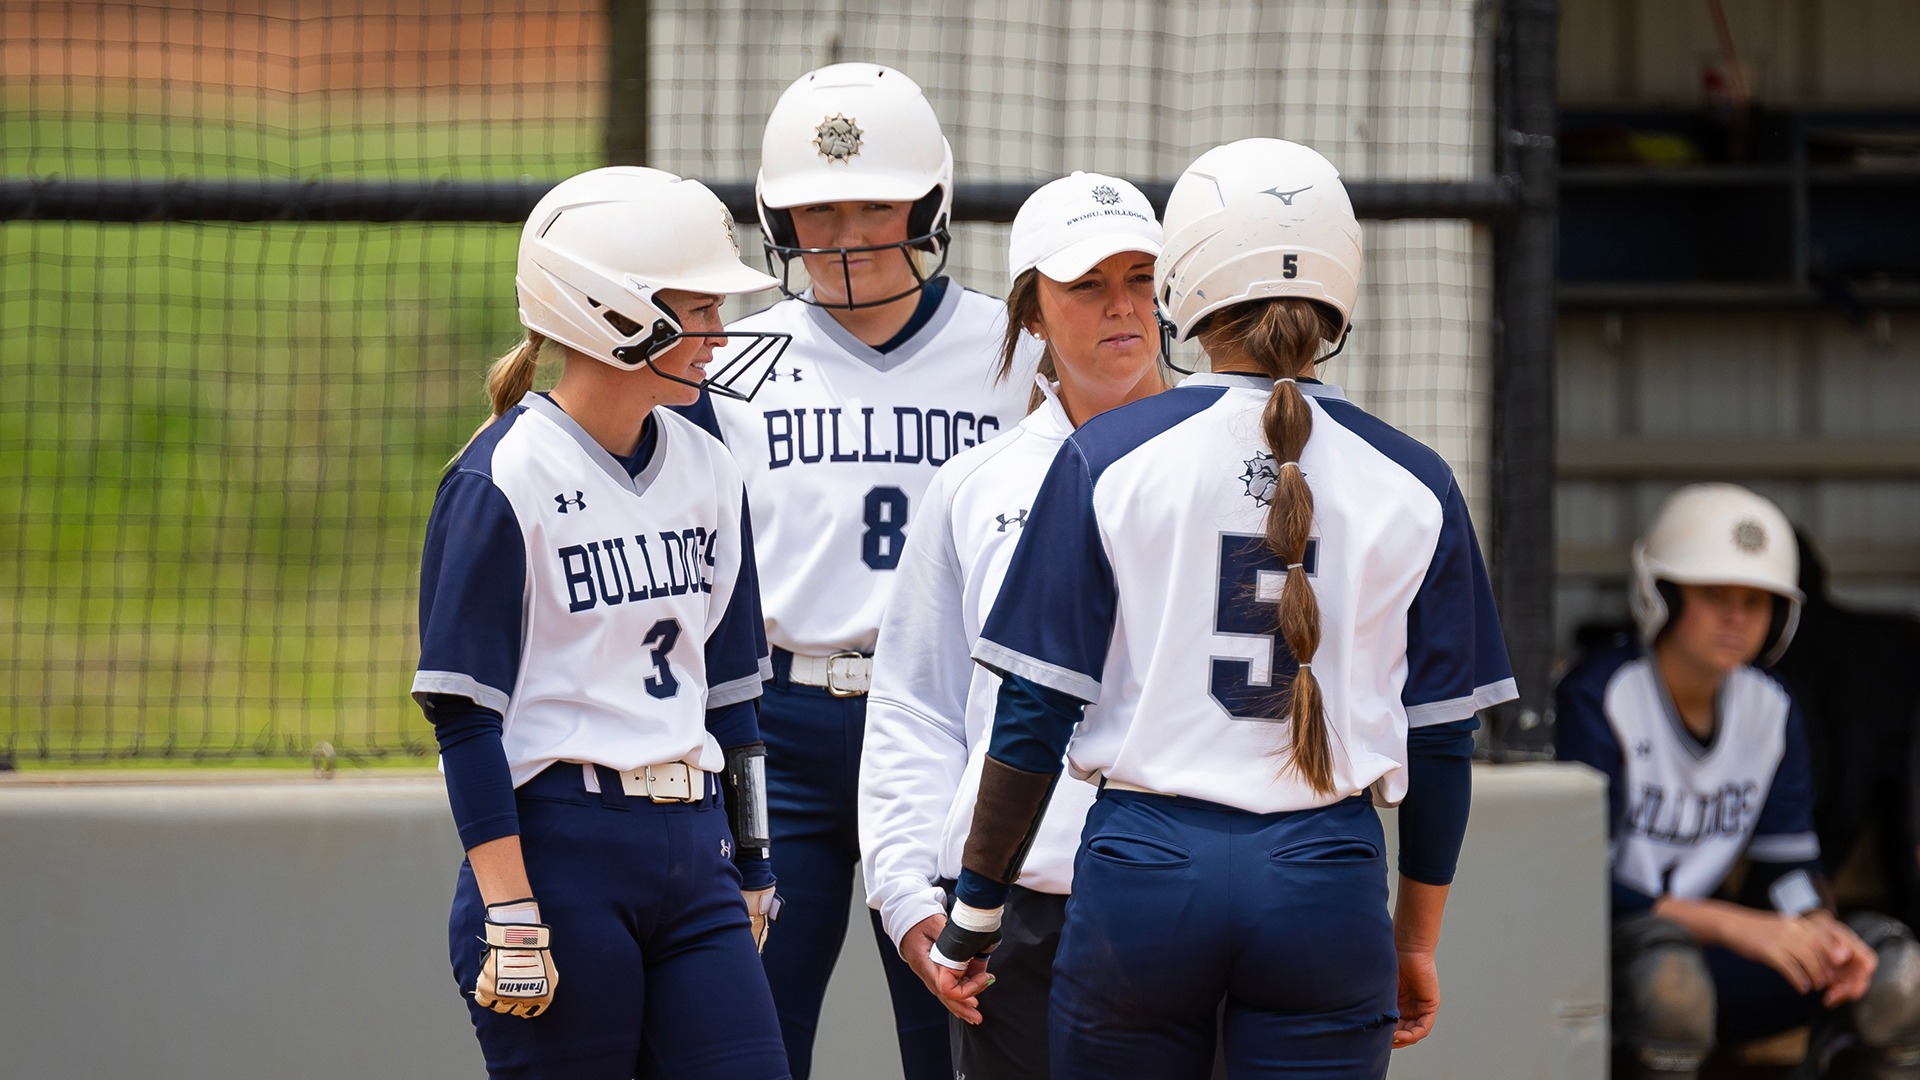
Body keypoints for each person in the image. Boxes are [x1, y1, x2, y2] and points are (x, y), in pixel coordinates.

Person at [925, 137, 1518, 1079]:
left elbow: (1034, 712)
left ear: (1183, 285)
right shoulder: (1419, 480)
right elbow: (1442, 739)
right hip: (1325, 883)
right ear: (1339, 287)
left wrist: (976, 916)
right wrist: (1413, 942)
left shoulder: (1107, 454)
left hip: (1144, 879)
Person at [675, 62, 1039, 1080]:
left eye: (873, 203)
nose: (846, 235)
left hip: (949, 725)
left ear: (930, 201)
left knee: (963, 1032)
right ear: (775, 218)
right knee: (750, 1033)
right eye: (816, 209)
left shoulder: (1016, 353)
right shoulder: (729, 362)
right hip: (776, 732)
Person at [412, 166, 794, 1079]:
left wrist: (753, 861)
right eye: (698, 311)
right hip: (557, 855)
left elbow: (732, 698)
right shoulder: (503, 476)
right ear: (610, 313)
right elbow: (466, 715)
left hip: (695, 856)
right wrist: (509, 907)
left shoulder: (711, 468)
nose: (718, 336)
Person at [860, 172, 1166, 1078]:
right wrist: (909, 896)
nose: (1123, 307)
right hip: (1019, 913)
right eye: (1088, 284)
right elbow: (918, 704)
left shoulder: (1242, 460)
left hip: (1189, 899)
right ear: (1032, 312)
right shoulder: (973, 484)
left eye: (1143, 278)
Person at [1556, 483, 1920, 1080]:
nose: (1737, 617)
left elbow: (1787, 868)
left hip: (1710, 952)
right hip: (1605, 959)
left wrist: (1816, 930)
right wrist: (1733, 924)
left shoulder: (1771, 707)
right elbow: (1583, 886)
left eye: (1757, 601)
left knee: (1891, 973)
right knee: (1670, 986)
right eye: (1714, 595)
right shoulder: (1601, 695)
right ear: (1662, 596)